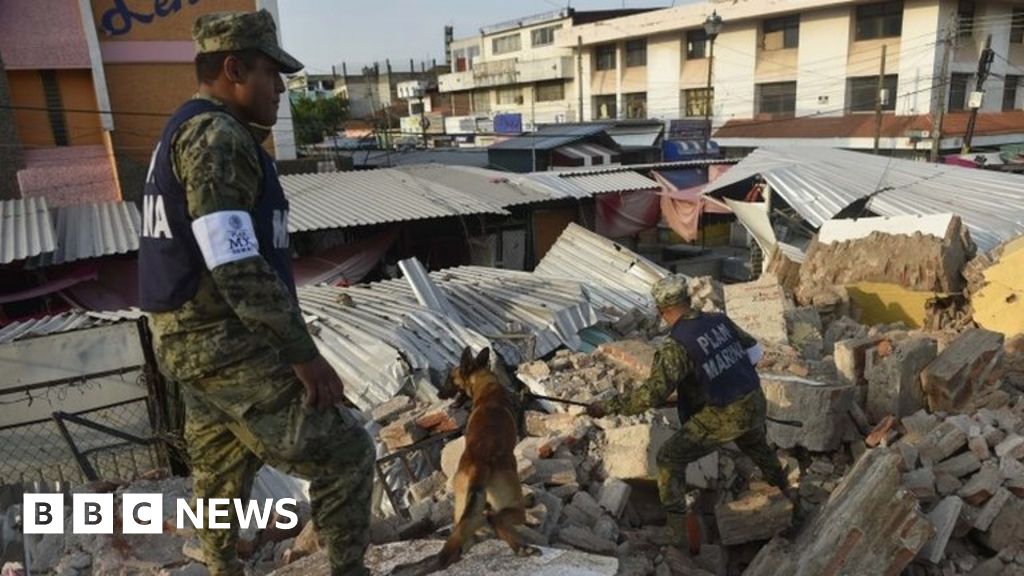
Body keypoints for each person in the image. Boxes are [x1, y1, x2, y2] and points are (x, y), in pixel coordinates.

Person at [138, 10, 373, 576]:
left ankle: (221, 570)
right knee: (346, 450)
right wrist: (305, 357)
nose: (281, 90)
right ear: (233, 68)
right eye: (272, 74)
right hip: (223, 342)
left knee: (220, 466)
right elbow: (236, 264)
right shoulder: (216, 138)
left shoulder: (186, 130)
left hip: (191, 344)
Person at [587, 275, 789, 548]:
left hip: (725, 413)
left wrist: (607, 406)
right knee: (756, 446)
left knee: (669, 458)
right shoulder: (717, 321)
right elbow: (754, 350)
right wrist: (722, 379)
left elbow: (651, 395)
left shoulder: (676, 345)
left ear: (662, 311)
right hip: (753, 400)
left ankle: (677, 533)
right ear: (687, 300)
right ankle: (788, 495)